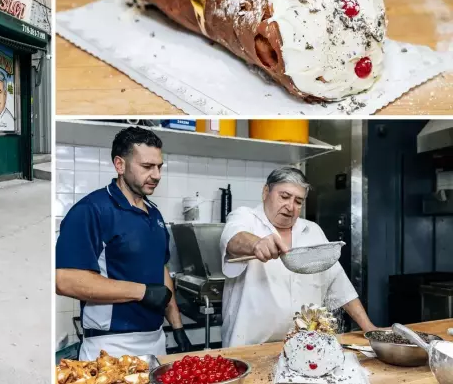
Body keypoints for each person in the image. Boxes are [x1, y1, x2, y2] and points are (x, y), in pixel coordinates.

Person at [56, 127, 190, 360]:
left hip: (157, 342)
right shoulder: (91, 210)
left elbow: (161, 270)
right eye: (147, 167)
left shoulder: (154, 214)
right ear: (120, 165)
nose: (157, 175)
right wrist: (141, 292)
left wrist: (177, 328)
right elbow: (65, 281)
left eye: (159, 166)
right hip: (110, 347)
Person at [220, 167, 377, 347]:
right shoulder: (245, 218)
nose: (290, 206)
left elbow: (339, 284)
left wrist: (368, 328)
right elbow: (232, 239)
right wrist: (257, 244)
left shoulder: (313, 231)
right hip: (249, 346)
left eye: (298, 201)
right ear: (266, 192)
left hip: (305, 346)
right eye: (284, 197)